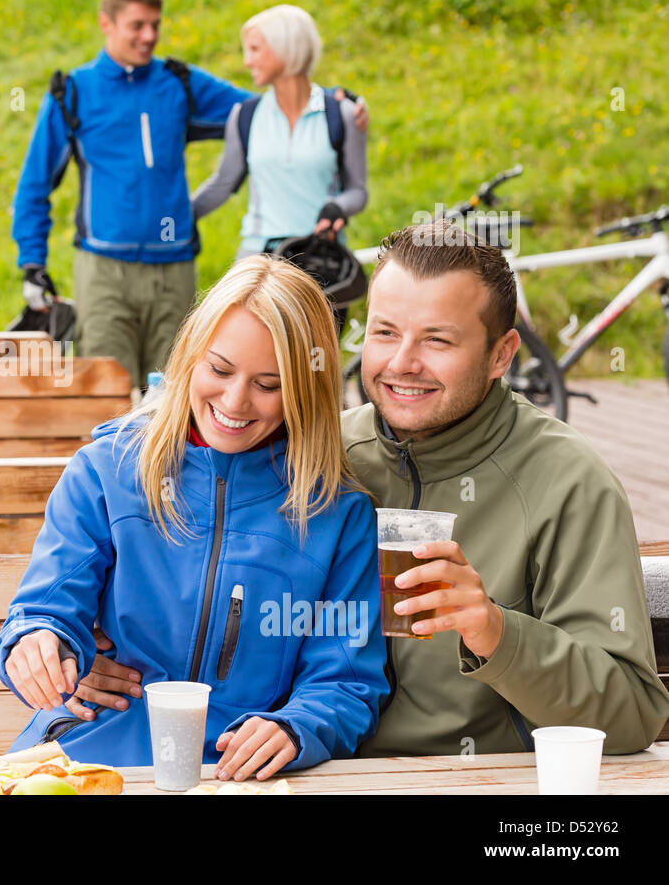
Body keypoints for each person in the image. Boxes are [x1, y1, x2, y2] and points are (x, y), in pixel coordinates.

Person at [66, 220, 669, 757]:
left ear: (501, 354)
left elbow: (633, 715)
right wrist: (92, 658)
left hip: (473, 783)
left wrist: (495, 631)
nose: (402, 362)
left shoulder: (568, 483)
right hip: (308, 773)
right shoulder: (310, 455)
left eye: (438, 339)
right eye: (384, 332)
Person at [0, 254, 387, 778]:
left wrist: (295, 727)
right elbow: (45, 610)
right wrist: (39, 643)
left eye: (268, 385)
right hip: (88, 756)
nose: (234, 400)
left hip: (235, 773)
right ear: (190, 356)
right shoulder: (106, 471)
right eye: (219, 369)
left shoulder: (337, 514)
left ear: (303, 391)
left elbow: (344, 682)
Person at [12, 0, 367, 391]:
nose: (149, 36)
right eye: (137, 26)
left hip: (174, 267)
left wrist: (332, 99)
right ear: (106, 23)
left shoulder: (178, 81)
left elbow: (270, 105)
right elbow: (35, 185)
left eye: (155, 25)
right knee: (105, 392)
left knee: (177, 393)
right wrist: (32, 263)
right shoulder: (71, 93)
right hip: (103, 268)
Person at [191, 4, 367, 333]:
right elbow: (221, 184)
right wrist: (177, 216)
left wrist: (337, 206)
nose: (247, 61)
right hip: (257, 264)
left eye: (255, 49)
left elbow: (358, 191)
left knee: (313, 373)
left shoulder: (341, 114)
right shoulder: (245, 116)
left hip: (319, 266)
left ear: (286, 48)